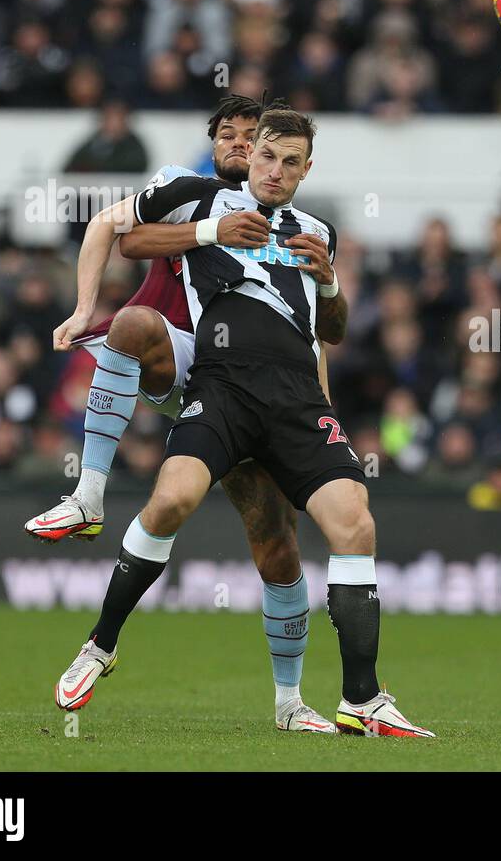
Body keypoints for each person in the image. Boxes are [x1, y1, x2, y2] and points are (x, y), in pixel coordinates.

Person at [52, 104, 433, 738]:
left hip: (297, 401)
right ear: (249, 154)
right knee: (171, 502)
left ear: (307, 169)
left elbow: (329, 332)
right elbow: (129, 238)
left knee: (353, 523)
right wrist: (211, 235)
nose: (276, 171)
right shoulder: (205, 199)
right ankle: (101, 644)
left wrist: (331, 283)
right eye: (266, 156)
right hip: (223, 385)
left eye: (290, 162)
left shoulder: (319, 230)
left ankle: (360, 700)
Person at [33, 95, 336, 735]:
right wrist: (85, 309)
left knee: (276, 543)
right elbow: (115, 232)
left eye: (255, 139)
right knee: (134, 323)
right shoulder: (191, 191)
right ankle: (89, 501)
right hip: (191, 364)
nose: (243, 147)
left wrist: (319, 412)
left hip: (264, 390)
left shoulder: (300, 228)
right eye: (231, 136)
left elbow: (309, 332)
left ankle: (290, 703)